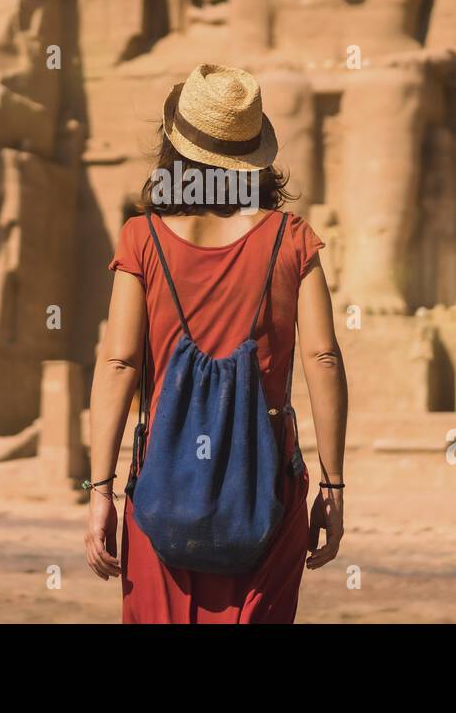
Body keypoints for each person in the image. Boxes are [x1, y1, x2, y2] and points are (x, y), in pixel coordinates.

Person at [84, 63, 348, 623]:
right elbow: (323, 357)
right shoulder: (292, 238)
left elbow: (119, 361)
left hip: (163, 483)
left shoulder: (141, 237)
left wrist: (99, 489)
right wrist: (333, 484)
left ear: (173, 151)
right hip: (265, 487)